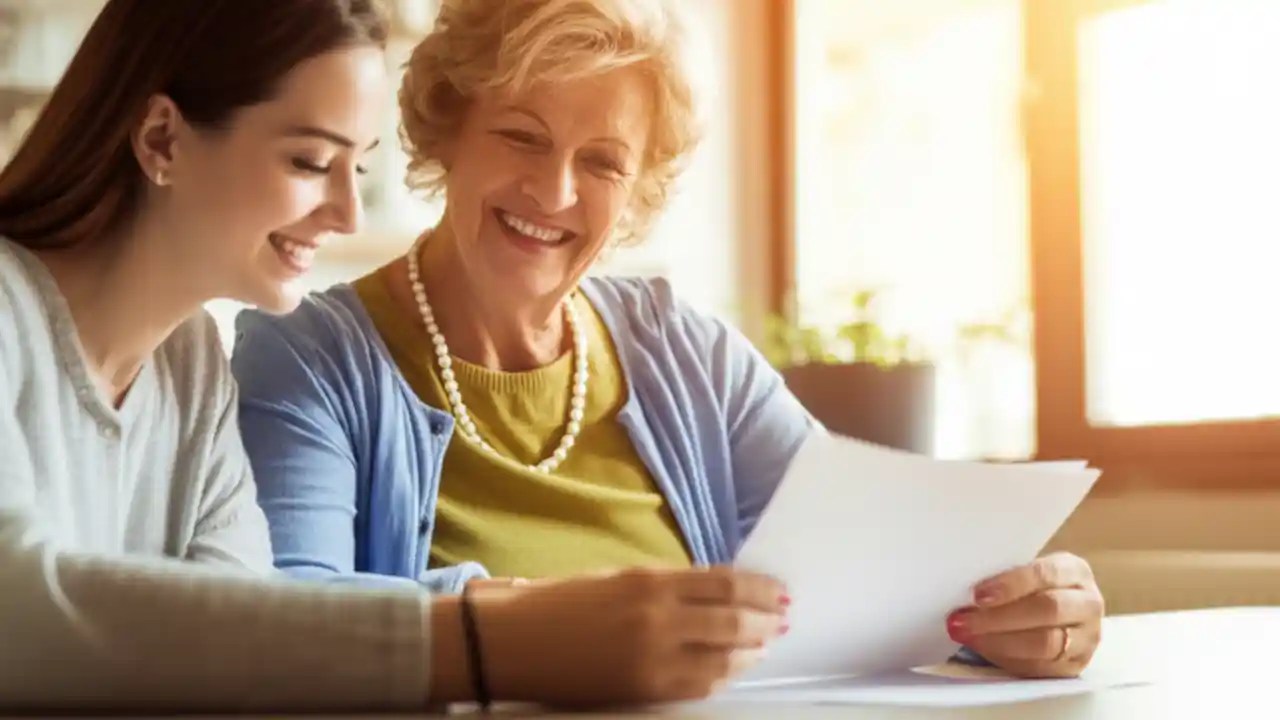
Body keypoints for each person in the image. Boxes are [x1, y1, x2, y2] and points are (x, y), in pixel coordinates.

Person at [231, 0, 1105, 681]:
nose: (555, 190)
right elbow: (286, 620)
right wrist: (553, 626)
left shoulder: (688, 355)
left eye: (604, 162)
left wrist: (1015, 616)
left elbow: (862, 572)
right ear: (449, 130)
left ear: (638, 187)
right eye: (521, 137)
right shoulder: (308, 358)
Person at [0, 0, 787, 712]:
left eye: (358, 167)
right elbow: (23, 612)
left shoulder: (189, 366)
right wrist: (499, 635)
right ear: (162, 138)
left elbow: (250, 636)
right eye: (311, 162)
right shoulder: (23, 318)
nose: (345, 214)